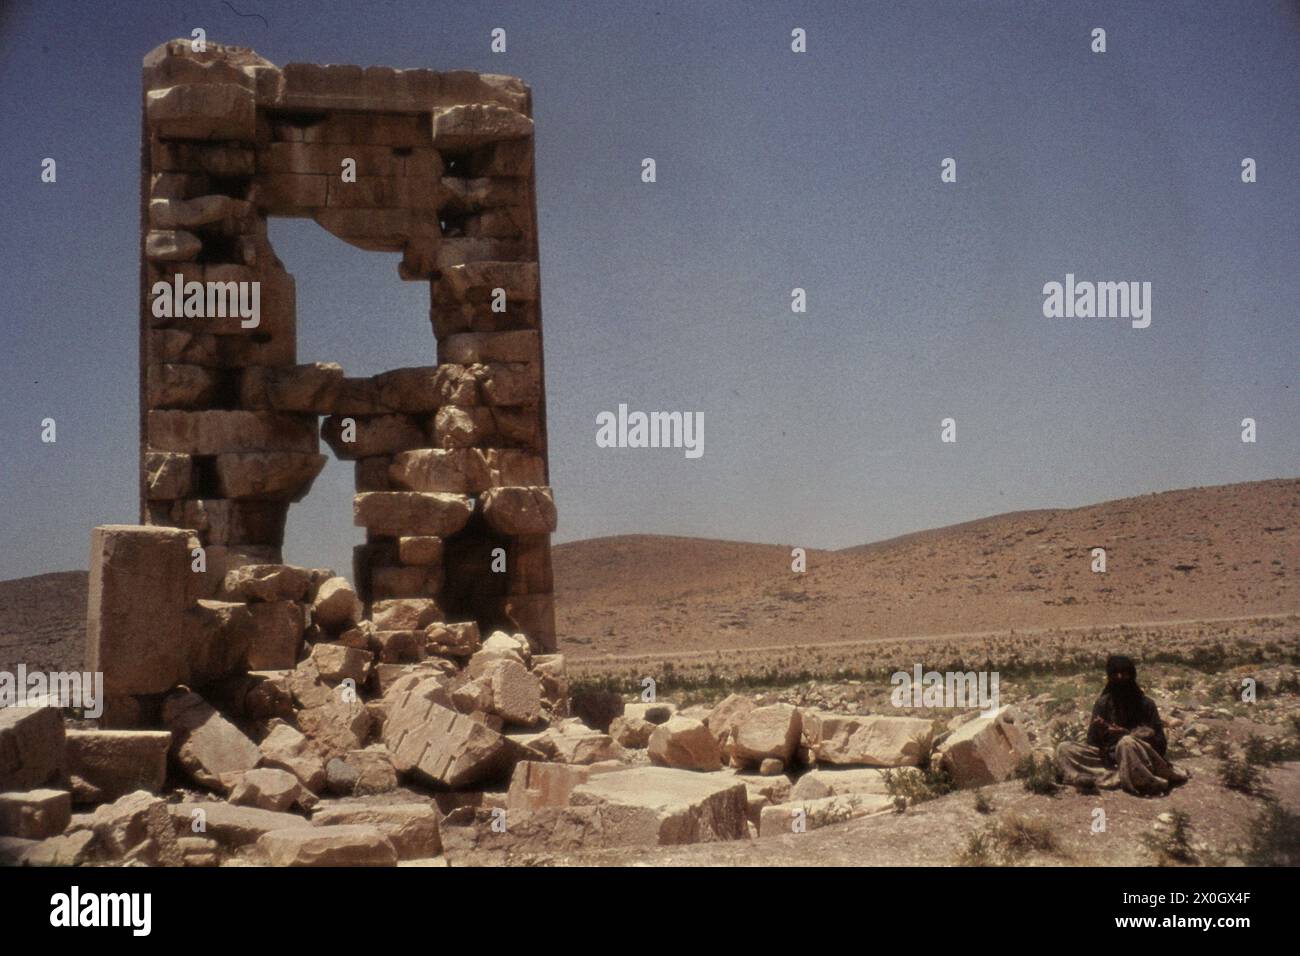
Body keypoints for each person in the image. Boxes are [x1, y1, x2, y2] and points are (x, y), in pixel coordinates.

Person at [1056, 655, 1188, 796]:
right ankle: (1117, 776)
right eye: (1115, 673)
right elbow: (1092, 742)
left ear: (1131, 675)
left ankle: (1143, 781)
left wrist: (1128, 734)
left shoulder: (1146, 704)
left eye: (1124, 673)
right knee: (1064, 748)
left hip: (1141, 759)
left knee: (1126, 743)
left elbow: (1160, 745)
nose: (1119, 677)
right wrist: (1101, 732)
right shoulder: (1103, 704)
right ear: (1109, 676)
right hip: (1110, 760)